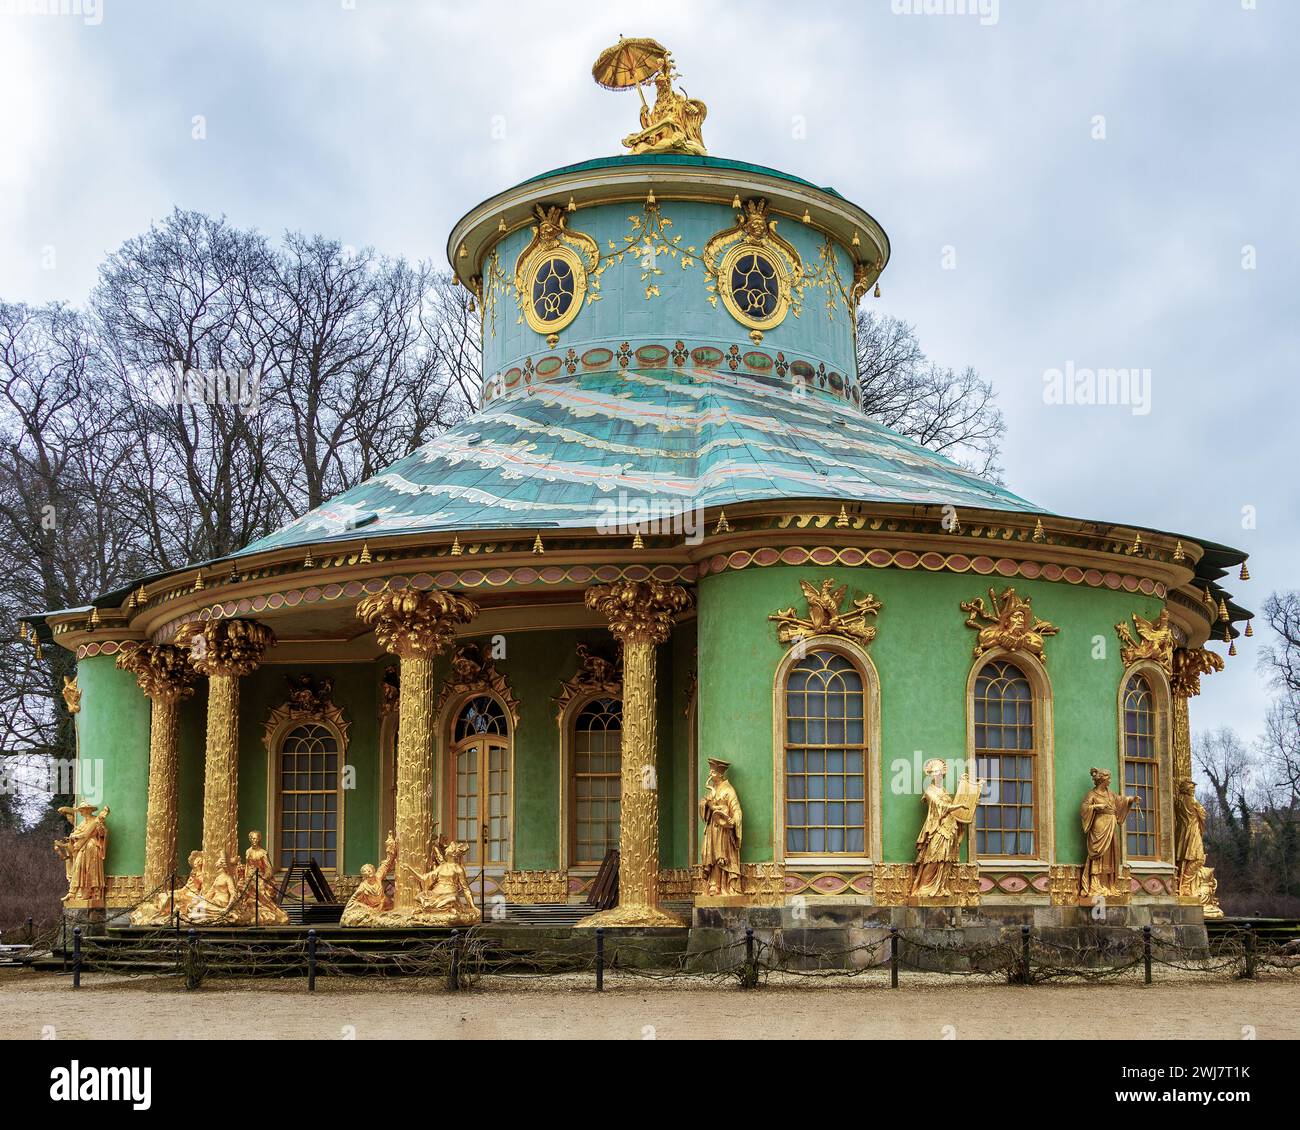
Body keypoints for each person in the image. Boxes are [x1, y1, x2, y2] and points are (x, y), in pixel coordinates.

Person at [911, 759, 979, 899]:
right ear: (930, 775)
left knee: (946, 858)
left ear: (943, 773)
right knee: (933, 857)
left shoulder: (944, 791)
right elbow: (941, 806)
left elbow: (954, 808)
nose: (936, 774)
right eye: (933, 772)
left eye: (938, 771)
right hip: (937, 829)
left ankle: (942, 887)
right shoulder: (929, 791)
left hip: (950, 828)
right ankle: (924, 887)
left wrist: (969, 796)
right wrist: (958, 806)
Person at [1079, 767, 1139, 898]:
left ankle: (1108, 885)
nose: (1110, 781)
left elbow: (1120, 800)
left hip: (1111, 826)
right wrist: (1096, 807)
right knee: (1098, 854)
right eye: (1108, 778)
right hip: (1099, 826)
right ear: (1102, 780)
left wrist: (1131, 799)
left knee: (1111, 854)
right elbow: (1084, 808)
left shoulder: (1110, 794)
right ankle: (1095, 885)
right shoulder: (1092, 794)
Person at [699, 758, 742, 896]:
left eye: (713, 771)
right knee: (710, 855)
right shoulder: (713, 789)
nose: (710, 774)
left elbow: (736, 810)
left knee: (720, 856)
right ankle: (713, 883)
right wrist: (705, 804)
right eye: (710, 771)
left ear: (720, 774)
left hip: (723, 829)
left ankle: (721, 885)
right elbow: (704, 804)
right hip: (712, 827)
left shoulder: (728, 790)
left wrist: (733, 820)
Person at [342, 833, 398, 927]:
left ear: (373, 869)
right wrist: (367, 908)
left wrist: (391, 849)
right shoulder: (363, 888)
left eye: (369, 869)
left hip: (386, 906)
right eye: (365, 871)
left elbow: (386, 864)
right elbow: (352, 902)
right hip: (373, 910)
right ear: (364, 875)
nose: (368, 871)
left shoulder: (378, 877)